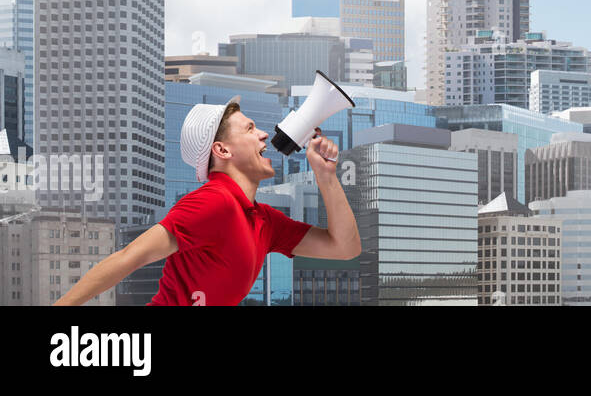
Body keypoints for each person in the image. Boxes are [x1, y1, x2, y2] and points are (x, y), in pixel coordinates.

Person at [54, 96, 361, 306]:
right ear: (222, 150)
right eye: (250, 128)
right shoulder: (214, 202)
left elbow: (345, 247)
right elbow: (130, 256)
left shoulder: (263, 221)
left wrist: (326, 177)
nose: (265, 135)